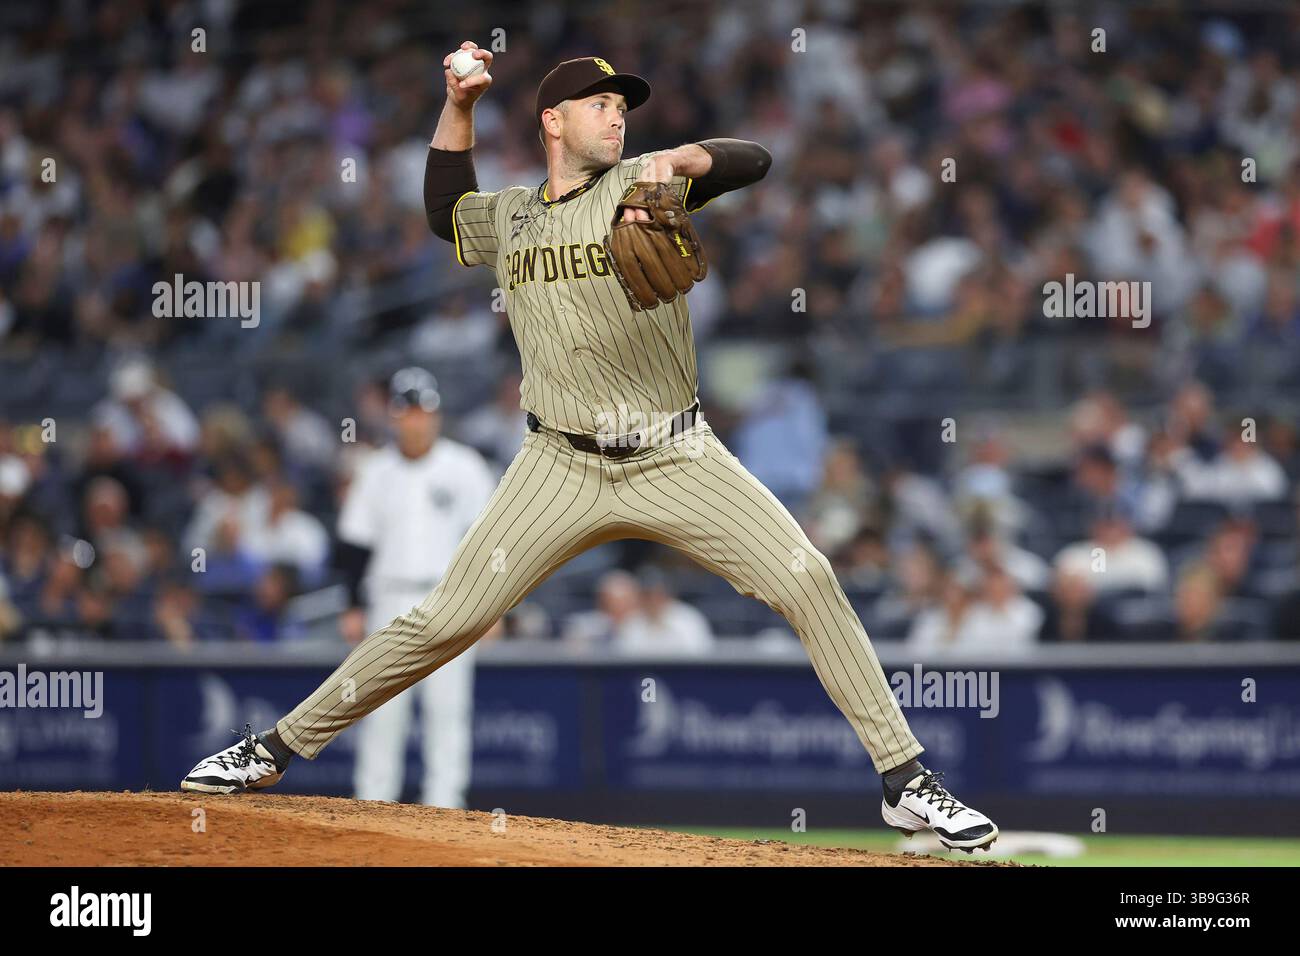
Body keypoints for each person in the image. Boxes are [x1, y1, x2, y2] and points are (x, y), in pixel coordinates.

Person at [182, 46, 999, 853]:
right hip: (558, 464)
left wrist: (680, 159)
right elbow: (443, 209)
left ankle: (904, 780)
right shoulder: (511, 214)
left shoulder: (642, 179)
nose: (616, 114)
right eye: (600, 103)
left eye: (622, 106)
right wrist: (459, 106)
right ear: (553, 120)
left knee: (808, 575)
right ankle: (276, 749)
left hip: (674, 453)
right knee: (440, 621)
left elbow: (755, 161)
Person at [335, 368, 497, 808]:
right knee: (381, 710)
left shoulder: (464, 466)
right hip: (388, 597)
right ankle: (372, 804)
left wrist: (492, 607)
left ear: (436, 414)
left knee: (448, 711)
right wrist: (352, 605)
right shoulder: (374, 470)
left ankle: (444, 809)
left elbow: (490, 543)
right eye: (407, 412)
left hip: (451, 599)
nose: (415, 420)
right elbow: (354, 544)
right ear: (393, 417)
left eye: (423, 411)